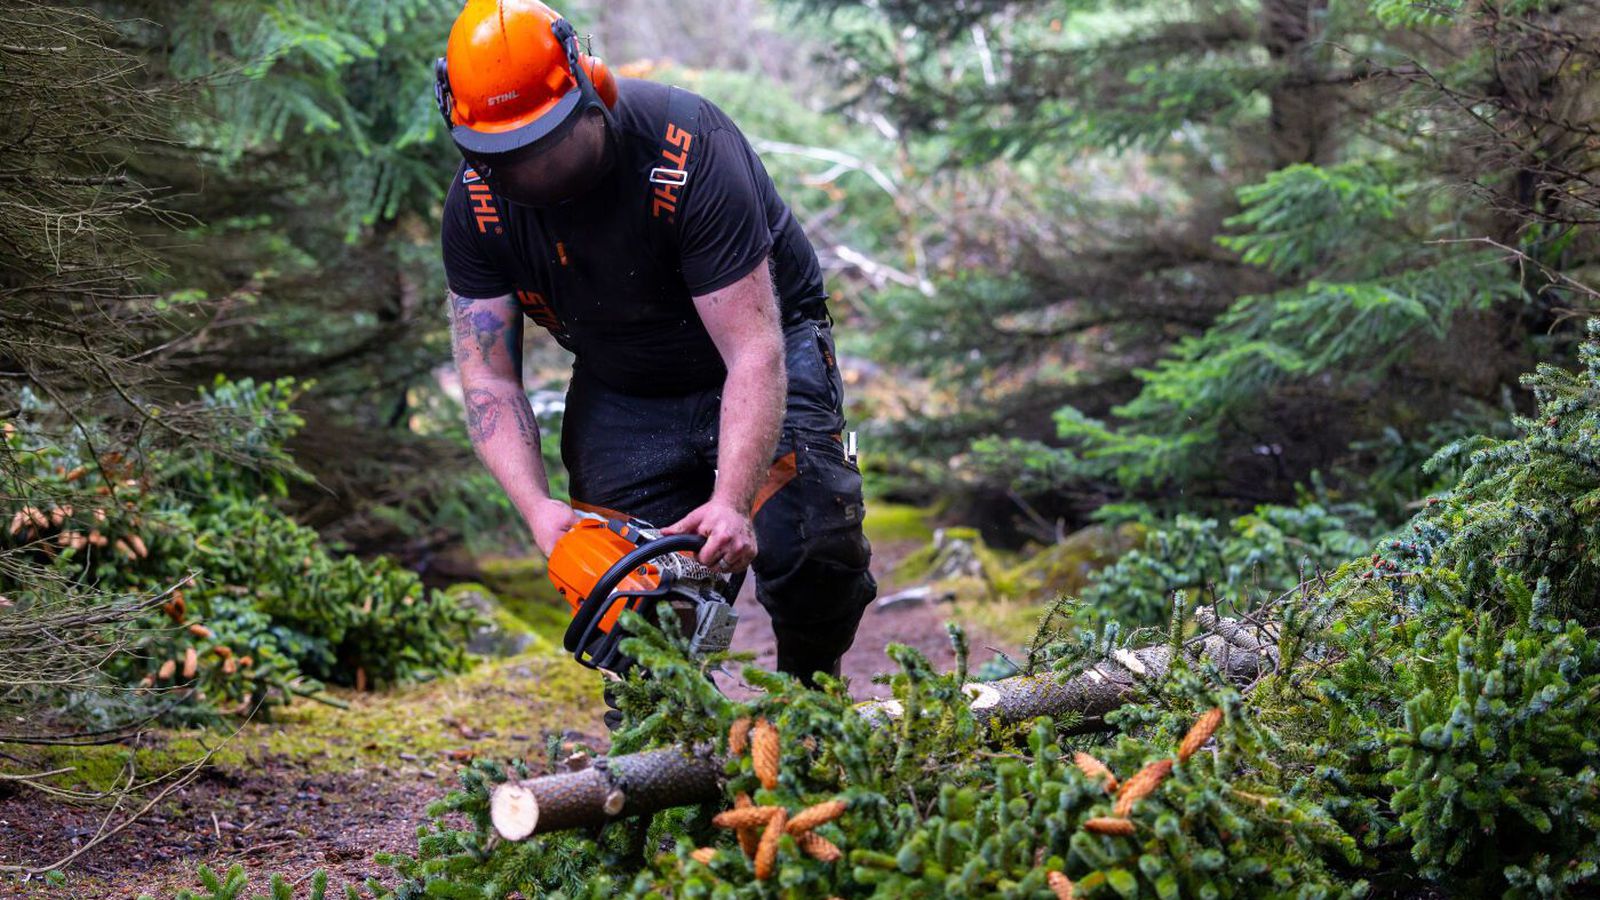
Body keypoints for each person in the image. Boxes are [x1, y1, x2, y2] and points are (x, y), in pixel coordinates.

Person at [434, 0, 876, 693]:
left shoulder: (685, 149)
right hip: (622, 381)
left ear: (593, 90)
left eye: (549, 145)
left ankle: (811, 708)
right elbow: (489, 380)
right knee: (627, 597)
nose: (535, 174)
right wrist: (538, 509)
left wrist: (732, 500)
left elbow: (753, 350)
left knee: (814, 551)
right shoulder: (477, 212)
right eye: (507, 160)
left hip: (762, 346)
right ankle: (663, 734)